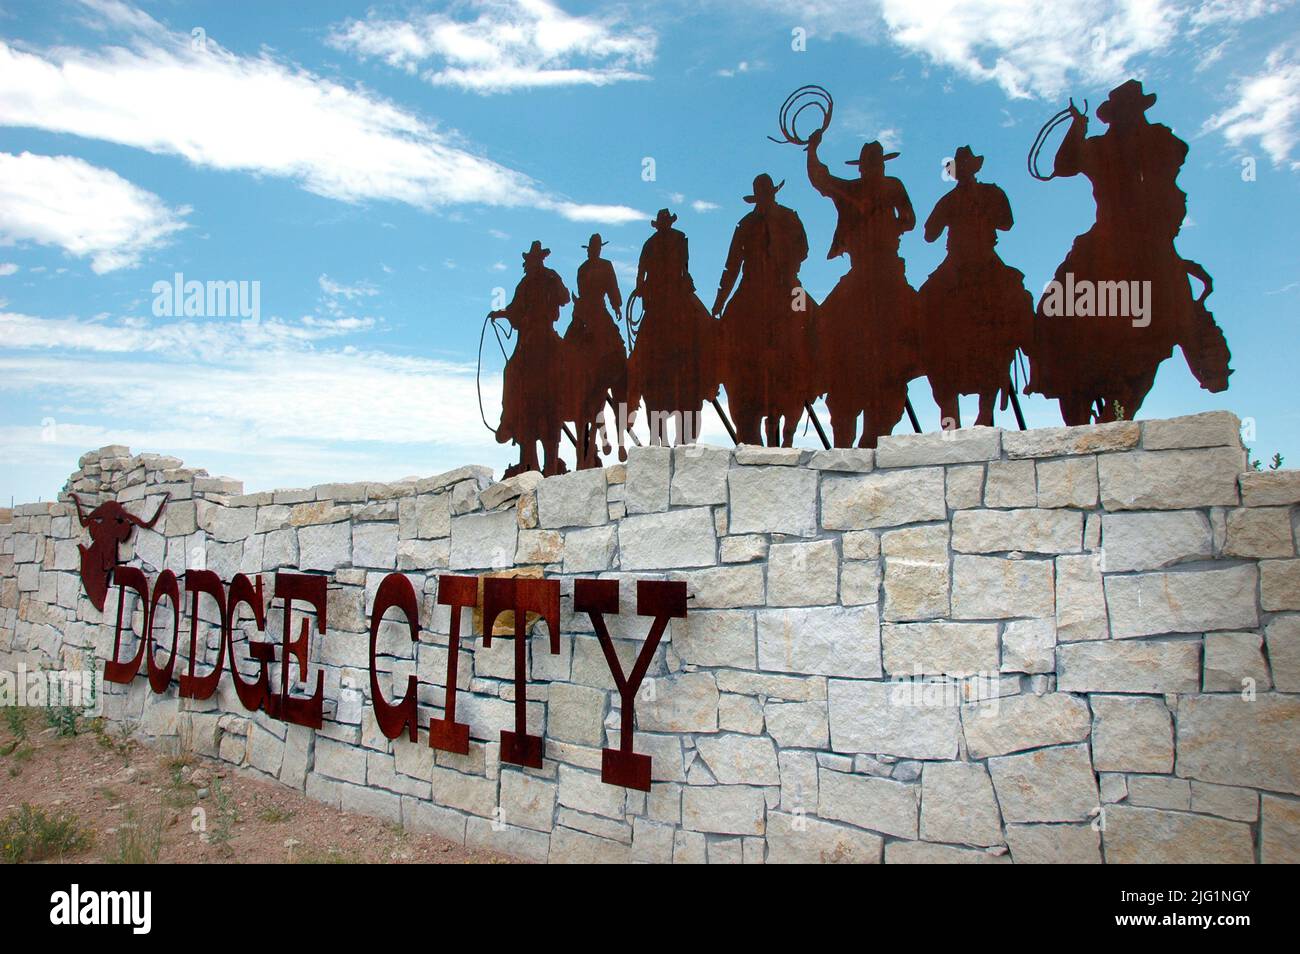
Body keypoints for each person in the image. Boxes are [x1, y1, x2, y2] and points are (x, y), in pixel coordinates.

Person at [1026, 79, 1231, 424]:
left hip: (1152, 240)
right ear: (1115, 116)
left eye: (1133, 111)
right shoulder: (1100, 147)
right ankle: (1051, 367)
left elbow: (1173, 163)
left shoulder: (1162, 142)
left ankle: (1211, 365)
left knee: (1187, 312)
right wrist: (1078, 127)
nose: (1128, 117)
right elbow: (1062, 166)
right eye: (1123, 112)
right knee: (1054, 303)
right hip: (1108, 235)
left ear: (1139, 111)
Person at [806, 131, 920, 448]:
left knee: (922, 313)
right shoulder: (850, 189)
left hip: (887, 266)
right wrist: (812, 149)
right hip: (859, 270)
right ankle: (818, 370)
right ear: (861, 167)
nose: (873, 168)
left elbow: (910, 219)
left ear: (882, 165)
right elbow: (821, 180)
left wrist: (889, 223)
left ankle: (922, 359)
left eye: (876, 163)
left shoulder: (893, 187)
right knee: (823, 317)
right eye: (868, 163)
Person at [918, 145, 1033, 428]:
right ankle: (922, 354)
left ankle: (1033, 356)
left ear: (974, 168)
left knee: (1018, 294)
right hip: (956, 261)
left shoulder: (992, 194)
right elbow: (929, 233)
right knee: (924, 300)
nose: (963, 172)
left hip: (985, 257)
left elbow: (1007, 223)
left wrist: (984, 213)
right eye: (959, 168)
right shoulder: (949, 199)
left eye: (966, 166)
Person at [712, 173, 815, 446]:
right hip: (751, 287)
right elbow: (732, 263)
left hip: (787, 285)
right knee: (726, 325)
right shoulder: (745, 224)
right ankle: (718, 374)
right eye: (760, 193)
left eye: (766, 192)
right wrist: (721, 299)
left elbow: (804, 249)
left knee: (813, 316)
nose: (763, 198)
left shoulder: (790, 217)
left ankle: (817, 371)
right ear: (756, 197)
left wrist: (787, 260)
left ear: (773, 193)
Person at [627, 209, 718, 446]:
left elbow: (683, 268)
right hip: (659, 299)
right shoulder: (651, 244)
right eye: (663, 223)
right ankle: (635, 385)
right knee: (641, 347)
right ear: (659, 224)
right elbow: (640, 273)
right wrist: (643, 288)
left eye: (666, 222)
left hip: (676, 294)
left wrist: (649, 286)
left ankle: (710, 380)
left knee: (709, 328)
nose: (665, 225)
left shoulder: (679, 238)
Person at [491, 240, 570, 476]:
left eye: (532, 260)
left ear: (539, 259)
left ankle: (568, 403)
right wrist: (502, 313)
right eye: (529, 261)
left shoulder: (550, 277)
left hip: (544, 333)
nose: (529, 264)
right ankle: (509, 419)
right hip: (528, 338)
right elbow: (515, 309)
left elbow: (565, 297)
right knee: (511, 370)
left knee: (565, 363)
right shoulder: (524, 283)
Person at [566, 233, 631, 467]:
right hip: (586, 312)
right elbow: (605, 290)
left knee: (616, 345)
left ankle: (620, 436)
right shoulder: (584, 269)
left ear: (598, 249)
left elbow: (612, 289)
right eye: (591, 248)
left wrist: (615, 304)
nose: (592, 251)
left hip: (596, 312)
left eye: (594, 247)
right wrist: (616, 303)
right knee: (570, 345)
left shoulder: (600, 267)